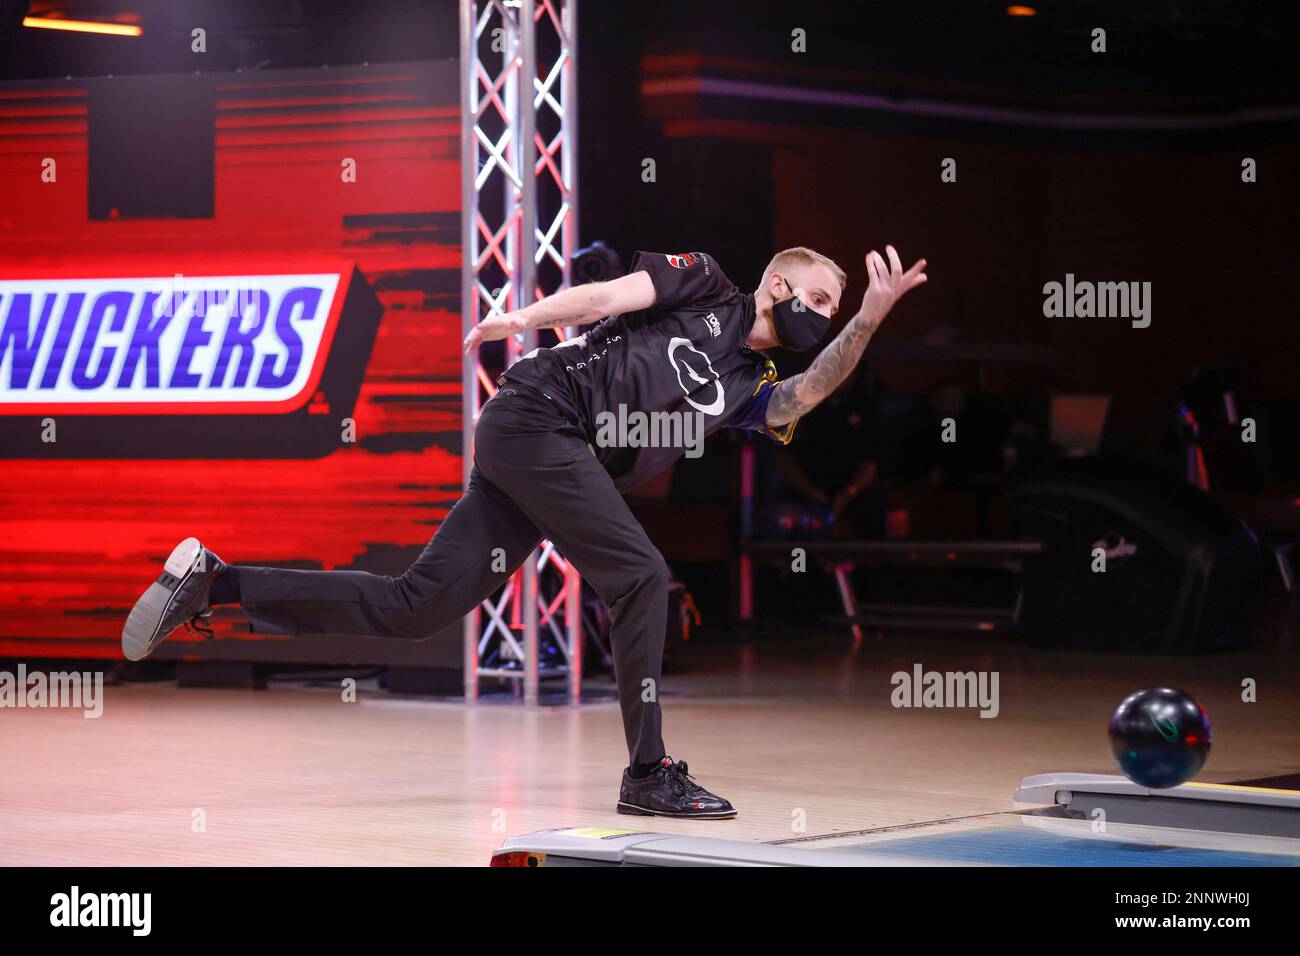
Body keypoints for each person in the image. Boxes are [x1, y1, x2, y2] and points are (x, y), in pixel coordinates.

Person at [121, 244, 927, 818]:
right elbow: (608, 298)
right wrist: (519, 316)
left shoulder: (752, 380)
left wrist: (869, 319)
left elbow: (805, 396)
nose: (820, 317)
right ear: (779, 283)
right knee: (643, 576)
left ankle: (215, 581)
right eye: (818, 300)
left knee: (416, 607)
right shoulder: (708, 285)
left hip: (545, 457)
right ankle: (648, 771)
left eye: (831, 309)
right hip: (542, 417)